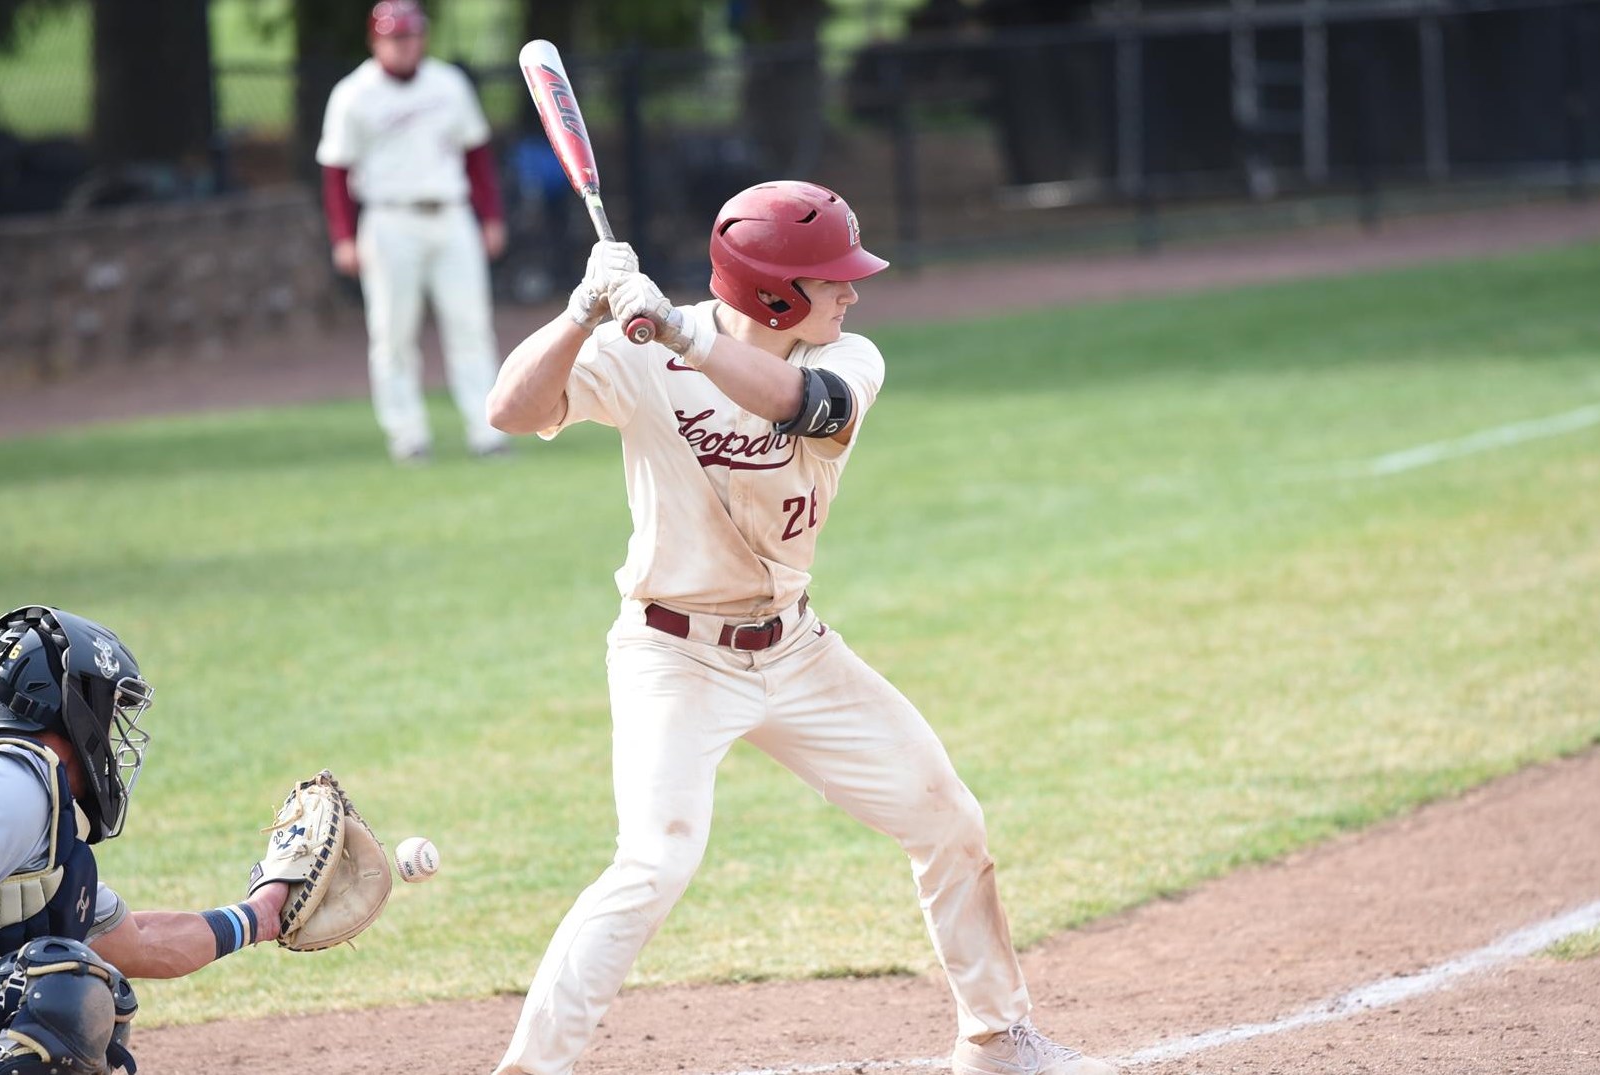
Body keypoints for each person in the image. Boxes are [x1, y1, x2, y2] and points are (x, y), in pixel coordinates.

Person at [485, 180, 1113, 1075]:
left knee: (948, 819)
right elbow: (508, 410)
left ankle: (997, 1039)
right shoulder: (639, 348)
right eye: (832, 278)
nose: (852, 291)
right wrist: (581, 314)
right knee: (653, 862)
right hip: (672, 656)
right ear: (776, 291)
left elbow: (803, 403)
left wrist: (681, 333)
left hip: (798, 651)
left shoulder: (848, 355)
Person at [0, 606, 292, 1074]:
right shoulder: (11, 783)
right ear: (75, 706)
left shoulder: (36, 815)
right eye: (112, 710)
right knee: (56, 992)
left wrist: (262, 914)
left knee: (89, 988)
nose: (116, 735)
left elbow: (142, 942)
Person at [317, 0, 511, 463]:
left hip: (450, 211)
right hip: (388, 218)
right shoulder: (354, 93)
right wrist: (343, 236)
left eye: (412, 34)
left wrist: (490, 217)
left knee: (470, 325)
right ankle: (407, 435)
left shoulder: (448, 84)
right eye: (395, 36)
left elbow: (476, 156)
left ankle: (487, 430)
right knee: (392, 332)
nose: (406, 45)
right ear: (376, 40)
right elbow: (336, 172)